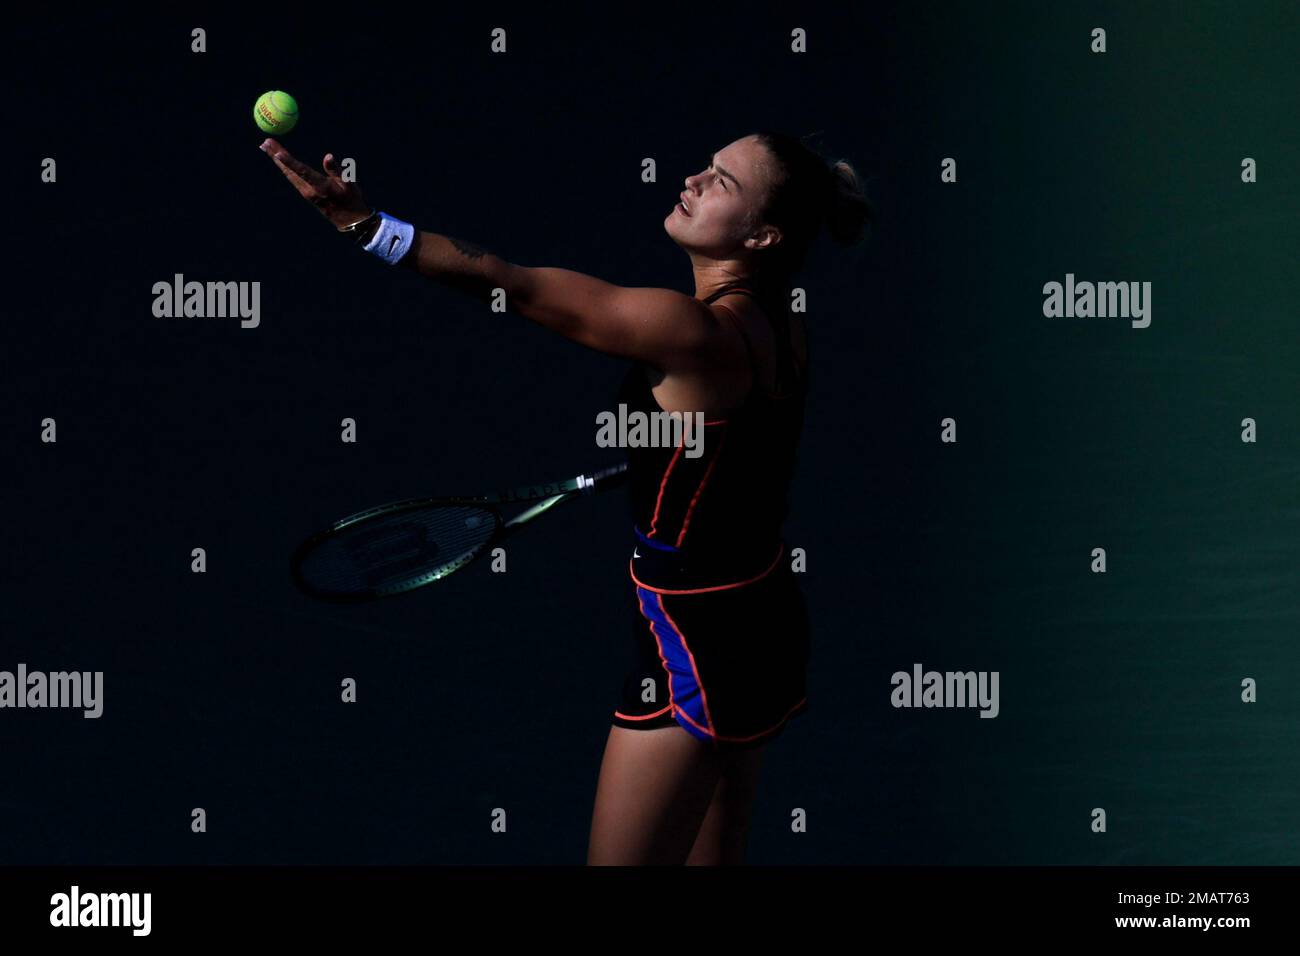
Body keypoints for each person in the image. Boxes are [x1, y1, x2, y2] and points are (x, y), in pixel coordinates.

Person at [260, 130, 871, 864]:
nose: (694, 179)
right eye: (706, 166)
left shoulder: (687, 331)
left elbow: (515, 287)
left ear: (762, 234)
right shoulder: (783, 320)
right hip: (764, 612)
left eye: (722, 183)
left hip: (695, 635)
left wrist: (362, 226)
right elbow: (749, 446)